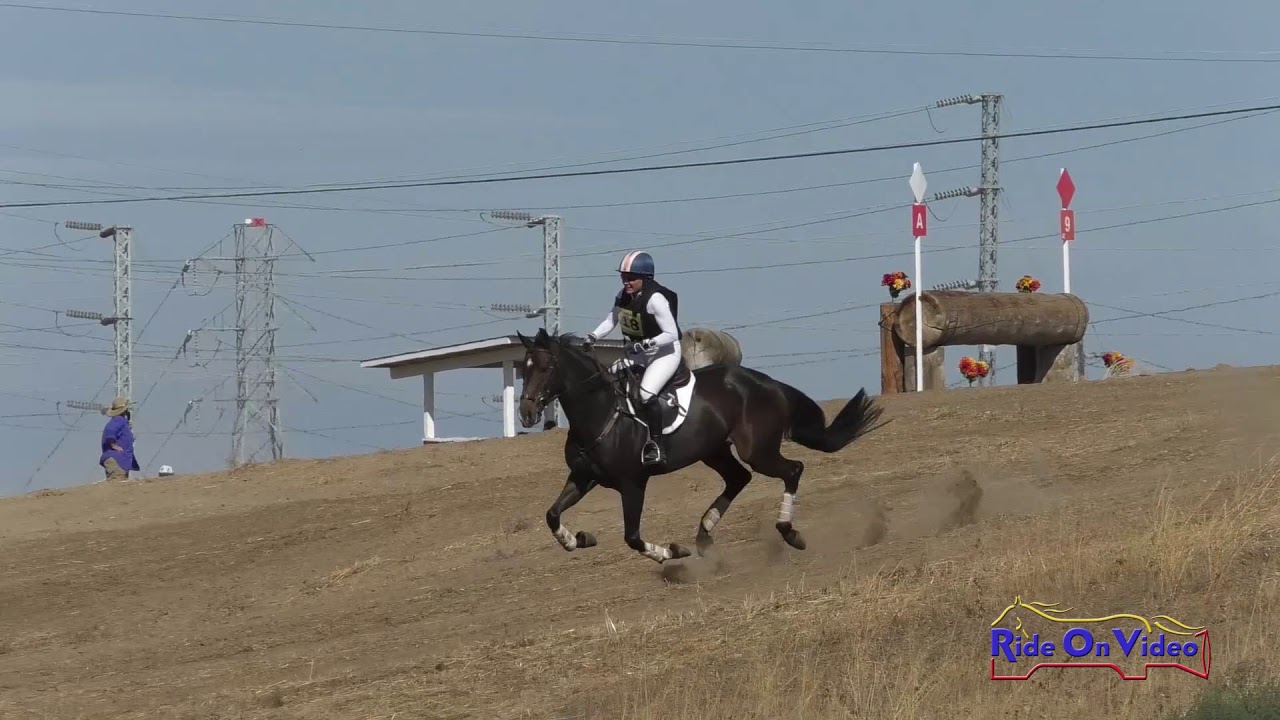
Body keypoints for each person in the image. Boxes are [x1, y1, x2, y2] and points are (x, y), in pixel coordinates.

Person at [583, 250, 682, 466]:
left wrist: (647, 343)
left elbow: (672, 334)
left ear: (645, 278)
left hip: (664, 353)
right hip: (638, 353)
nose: (626, 282)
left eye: (631, 278)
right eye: (623, 277)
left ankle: (656, 446)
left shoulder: (655, 299)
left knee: (646, 393)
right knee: (609, 378)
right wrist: (593, 336)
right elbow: (611, 320)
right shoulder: (623, 296)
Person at [99, 396, 141, 481]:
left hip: (121, 461)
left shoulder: (120, 421)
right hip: (118, 460)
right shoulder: (119, 420)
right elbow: (110, 430)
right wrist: (113, 445)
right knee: (117, 483)